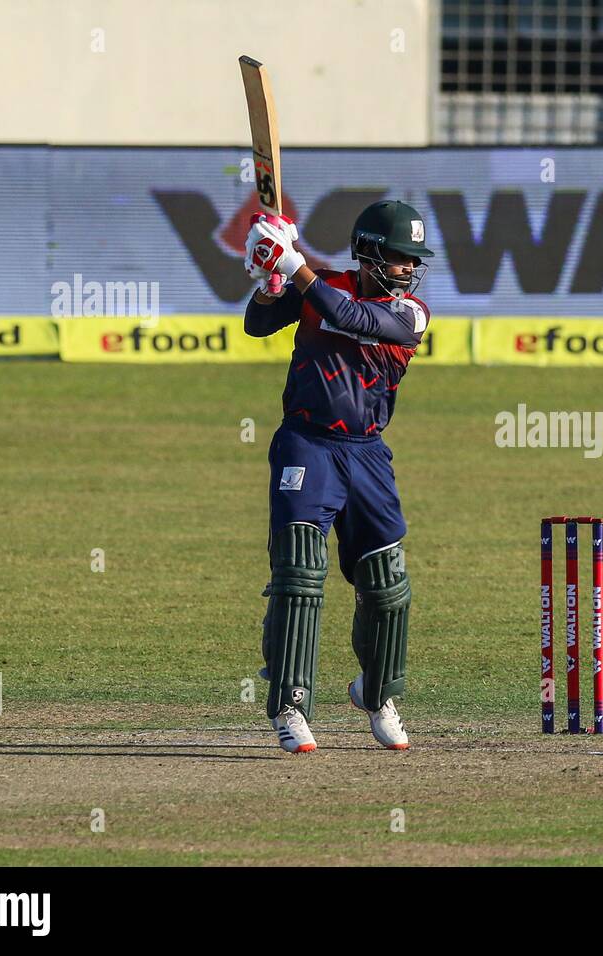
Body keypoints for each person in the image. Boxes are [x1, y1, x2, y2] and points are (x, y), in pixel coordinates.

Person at [242, 199, 433, 753]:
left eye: (413, 259)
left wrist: (291, 265)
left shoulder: (412, 314)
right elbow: (257, 325)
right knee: (299, 575)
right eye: (399, 258)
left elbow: (350, 317)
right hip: (308, 443)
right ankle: (290, 705)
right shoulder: (321, 284)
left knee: (388, 588)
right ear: (369, 253)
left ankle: (377, 692)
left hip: (368, 453)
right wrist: (270, 283)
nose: (408, 268)